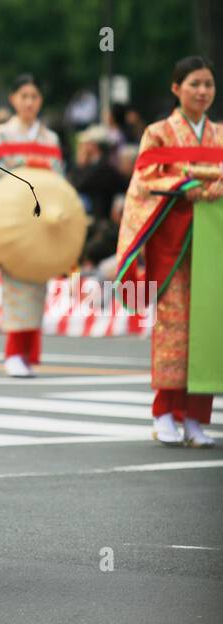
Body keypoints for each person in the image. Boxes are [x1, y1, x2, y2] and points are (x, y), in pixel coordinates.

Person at [115, 55, 223, 447]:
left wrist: (212, 185)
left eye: (208, 84)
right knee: (175, 328)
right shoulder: (158, 132)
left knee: (209, 332)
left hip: (214, 248)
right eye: (194, 83)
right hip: (174, 242)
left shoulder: (220, 134)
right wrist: (185, 185)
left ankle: (196, 418)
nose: (202, 91)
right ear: (176, 88)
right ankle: (164, 413)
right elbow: (146, 179)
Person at [0, 74, 64, 377]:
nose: (29, 102)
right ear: (13, 100)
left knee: (37, 284)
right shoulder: (2, 135)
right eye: (24, 96)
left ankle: (29, 351)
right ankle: (13, 351)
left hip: (41, 220)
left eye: (34, 97)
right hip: (13, 219)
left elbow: (60, 182)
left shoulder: (51, 139)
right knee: (16, 285)